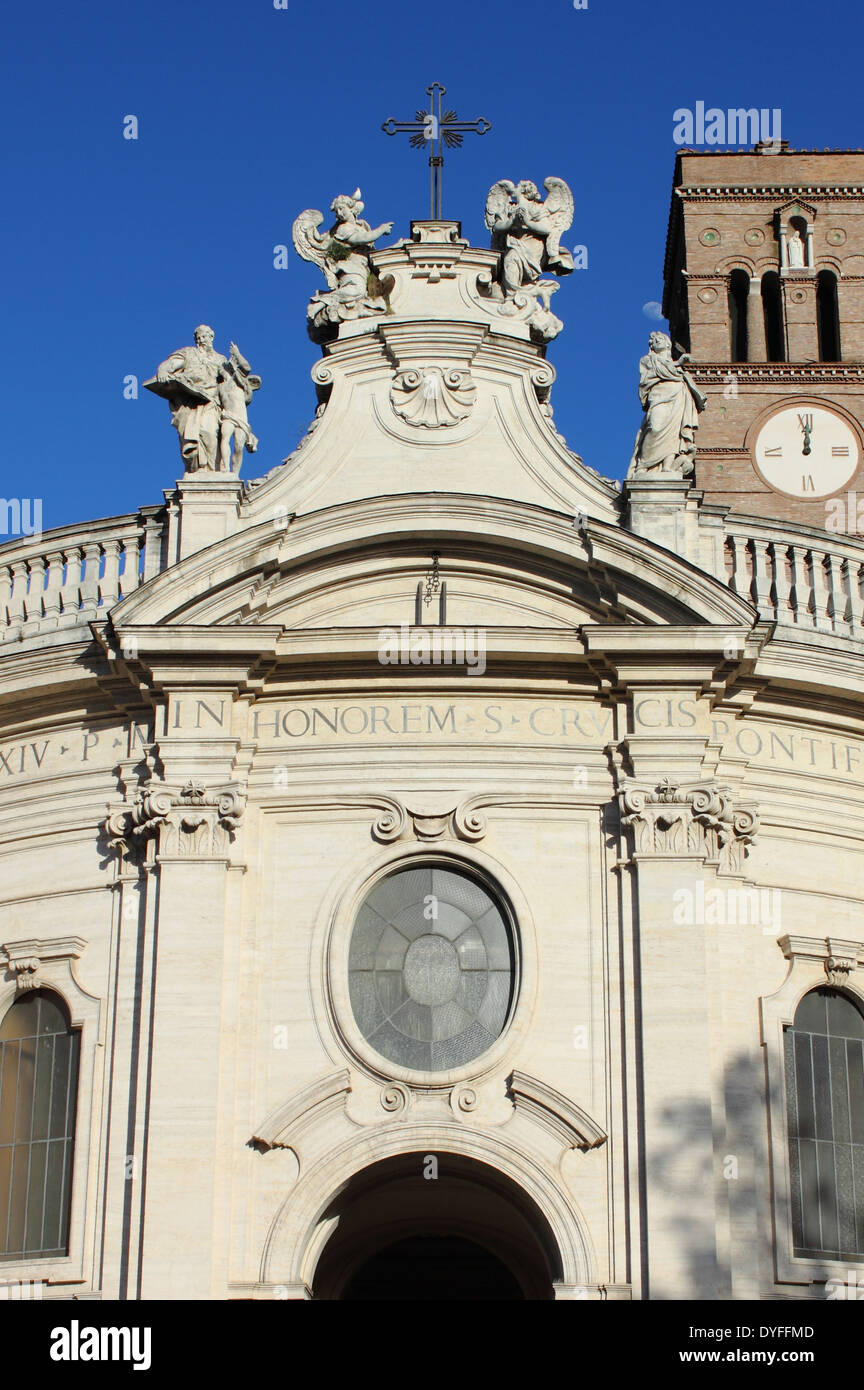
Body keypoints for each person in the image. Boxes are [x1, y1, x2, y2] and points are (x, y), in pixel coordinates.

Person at [630, 332, 707, 475]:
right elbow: (660, 372)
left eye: (659, 339)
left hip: (677, 397)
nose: (655, 342)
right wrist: (678, 364)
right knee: (655, 427)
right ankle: (643, 465)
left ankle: (668, 465)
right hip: (659, 397)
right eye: (653, 341)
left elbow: (670, 371)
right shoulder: (648, 360)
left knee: (674, 434)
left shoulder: (677, 367)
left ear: (667, 344)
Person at [155, 325, 226, 471]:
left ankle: (212, 471)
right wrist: (163, 369)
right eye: (198, 338)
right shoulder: (189, 353)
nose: (201, 340)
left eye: (204, 336)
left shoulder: (221, 360)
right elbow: (171, 364)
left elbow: (230, 382)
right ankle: (196, 470)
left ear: (211, 337)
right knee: (191, 442)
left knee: (209, 433)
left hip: (211, 402)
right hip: (190, 404)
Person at [217, 344, 261, 473]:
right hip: (228, 416)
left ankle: (235, 473)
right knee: (224, 439)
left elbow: (247, 367)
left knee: (238, 446)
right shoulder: (220, 386)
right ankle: (225, 469)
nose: (222, 370)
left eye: (224, 367)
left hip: (241, 418)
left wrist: (236, 353)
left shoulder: (238, 379)